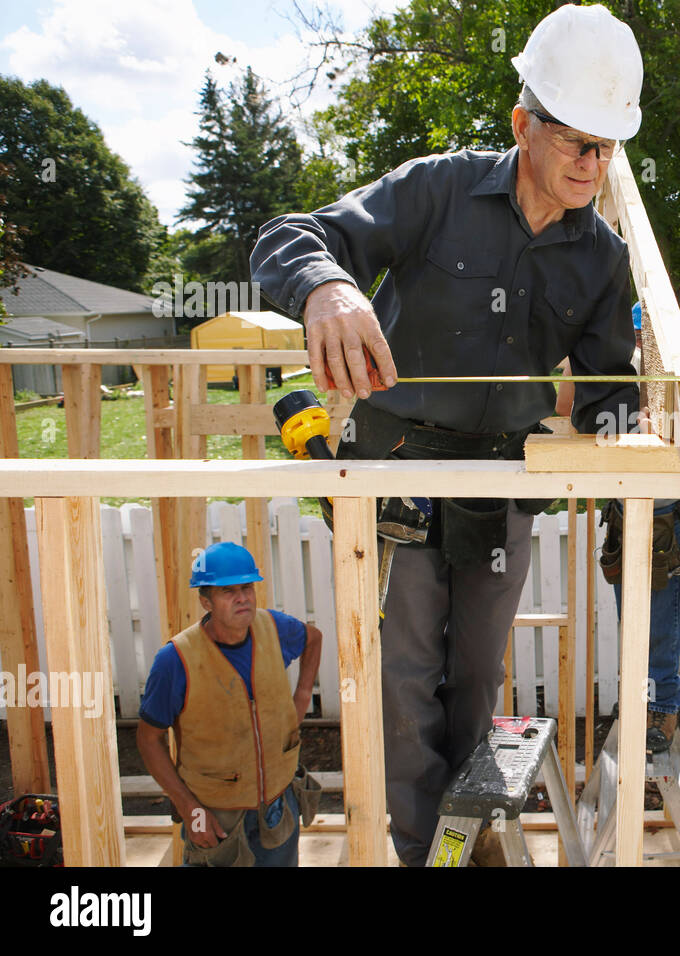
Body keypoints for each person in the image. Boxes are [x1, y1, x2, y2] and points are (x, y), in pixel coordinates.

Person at [249, 3, 646, 866]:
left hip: (501, 483)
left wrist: (635, 461)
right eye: (578, 142)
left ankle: (461, 841)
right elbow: (291, 236)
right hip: (396, 469)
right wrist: (327, 288)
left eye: (607, 148)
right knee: (404, 678)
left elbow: (609, 392)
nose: (593, 165)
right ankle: (416, 845)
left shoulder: (602, 258)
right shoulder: (438, 190)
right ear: (524, 124)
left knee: (475, 679)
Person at [556, 303, 680, 753]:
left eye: (644, 336)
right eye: (637, 335)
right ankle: (639, 706)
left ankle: (661, 711)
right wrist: (568, 359)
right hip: (624, 508)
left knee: (657, 620)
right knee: (632, 618)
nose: (641, 343)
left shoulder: (674, 374)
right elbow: (565, 406)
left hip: (662, 515)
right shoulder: (614, 364)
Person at [137, 542, 323, 866]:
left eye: (247, 587)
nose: (243, 598)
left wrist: (302, 696)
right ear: (205, 600)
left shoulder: (274, 628)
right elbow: (148, 739)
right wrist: (189, 809)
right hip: (214, 817)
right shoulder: (176, 659)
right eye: (228, 591)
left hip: (277, 806)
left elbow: (313, 638)